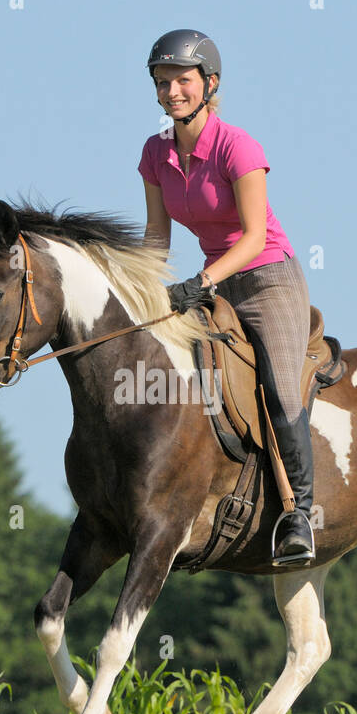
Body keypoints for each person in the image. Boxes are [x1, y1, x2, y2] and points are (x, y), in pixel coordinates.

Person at [137, 28, 315, 566]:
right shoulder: (154, 153)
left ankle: (300, 516)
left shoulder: (239, 147)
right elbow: (155, 238)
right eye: (163, 82)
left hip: (268, 280)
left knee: (281, 391)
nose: (172, 92)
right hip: (213, 281)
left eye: (183, 81)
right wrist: (143, 292)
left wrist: (202, 282)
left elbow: (256, 237)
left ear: (209, 84)